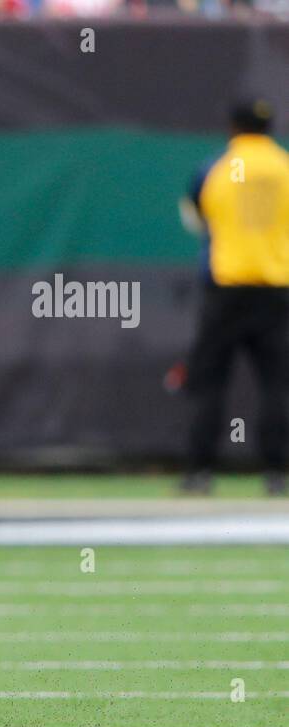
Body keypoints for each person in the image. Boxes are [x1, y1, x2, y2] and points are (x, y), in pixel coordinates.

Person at [179, 98, 289, 496]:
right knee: (277, 385)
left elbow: (193, 218)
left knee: (210, 382)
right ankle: (276, 474)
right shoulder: (283, 166)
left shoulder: (216, 168)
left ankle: (199, 473)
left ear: (232, 126)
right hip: (275, 289)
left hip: (225, 288)